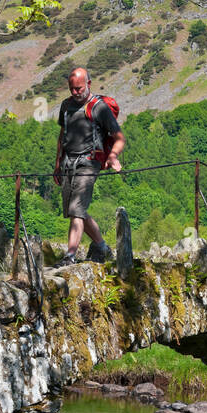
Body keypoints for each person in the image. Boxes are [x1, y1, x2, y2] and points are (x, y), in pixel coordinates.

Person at [53, 67, 124, 266]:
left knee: (76, 210)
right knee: (74, 209)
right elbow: (62, 134)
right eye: (72, 89)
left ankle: (70, 256)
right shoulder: (66, 106)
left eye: (79, 88)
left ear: (89, 84)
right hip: (68, 162)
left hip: (89, 162)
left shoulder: (99, 108)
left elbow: (119, 138)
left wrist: (112, 156)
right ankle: (101, 246)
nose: (75, 93)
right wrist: (58, 163)